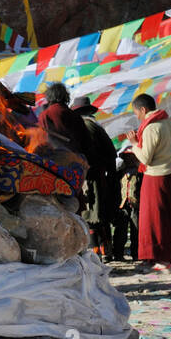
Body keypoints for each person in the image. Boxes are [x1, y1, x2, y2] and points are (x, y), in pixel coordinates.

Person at [130, 93, 171, 270]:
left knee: (153, 219)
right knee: (165, 217)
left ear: (143, 109)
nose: (137, 116)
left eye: (137, 112)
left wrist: (134, 144)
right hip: (170, 174)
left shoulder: (152, 128)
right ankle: (163, 258)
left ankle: (159, 260)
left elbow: (145, 158)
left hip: (155, 176)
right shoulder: (170, 123)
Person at [70, 94, 120, 257]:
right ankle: (107, 250)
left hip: (91, 175)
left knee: (91, 213)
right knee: (98, 213)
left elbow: (89, 153)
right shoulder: (94, 125)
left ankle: (96, 252)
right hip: (100, 173)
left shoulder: (85, 127)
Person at [37, 82, 91, 160]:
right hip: (76, 160)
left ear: (49, 97)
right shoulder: (74, 115)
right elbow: (86, 141)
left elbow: (41, 140)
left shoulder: (44, 115)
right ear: (65, 96)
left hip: (54, 161)